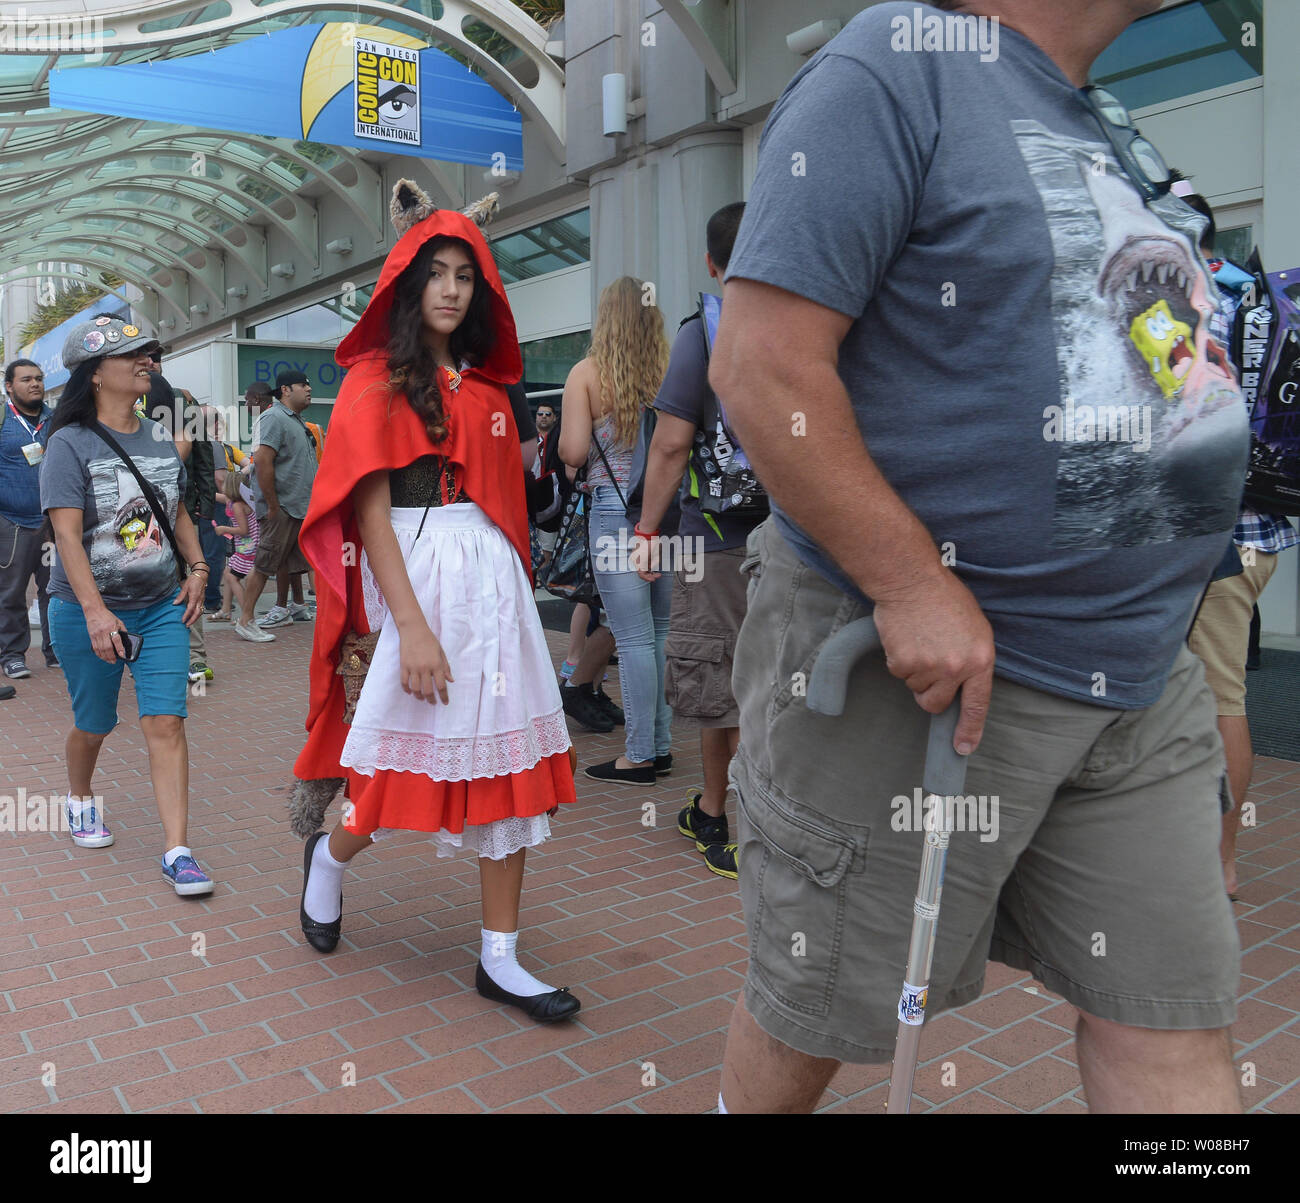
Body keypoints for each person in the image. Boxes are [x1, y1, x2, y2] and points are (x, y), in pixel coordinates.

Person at [710, 0, 1248, 1113]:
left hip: (1140, 676)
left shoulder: (1101, 120)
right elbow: (762, 367)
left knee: (1172, 1015)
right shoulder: (894, 65)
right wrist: (910, 581)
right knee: (815, 1010)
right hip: (925, 671)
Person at [289, 181, 580, 1024]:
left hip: (493, 586)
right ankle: (330, 862)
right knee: (384, 770)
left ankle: (501, 957)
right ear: (409, 285)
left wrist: (513, 595)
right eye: (437, 272)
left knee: (513, 778)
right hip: (417, 580)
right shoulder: (375, 381)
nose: (452, 288)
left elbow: (508, 506)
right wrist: (408, 624)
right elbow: (368, 507)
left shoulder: (490, 390)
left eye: (466, 274)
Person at [40, 316, 212, 895]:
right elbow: (66, 537)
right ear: (95, 374)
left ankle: (178, 852)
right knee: (95, 724)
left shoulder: (158, 436)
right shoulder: (69, 443)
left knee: (166, 722)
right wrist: (94, 612)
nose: (148, 362)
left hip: (161, 606)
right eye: (133, 355)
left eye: (149, 353)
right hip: (88, 609)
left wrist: (200, 567)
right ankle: (80, 797)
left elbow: (179, 510)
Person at [631, 202, 757, 880]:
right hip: (791, 539)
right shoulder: (810, 322)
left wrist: (647, 531)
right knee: (764, 683)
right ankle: (733, 812)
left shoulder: (700, 335)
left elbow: (672, 444)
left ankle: (715, 813)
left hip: (714, 540)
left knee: (722, 681)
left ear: (712, 264)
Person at [1180, 187, 1298, 901]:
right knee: (1216, 692)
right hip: (1260, 534)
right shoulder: (1250, 291)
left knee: (1218, 697)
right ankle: (1205, 850)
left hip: (1214, 539)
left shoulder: (1192, 300)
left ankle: (1216, 861)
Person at [558, 277, 671, 785]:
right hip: (666, 515)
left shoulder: (586, 373)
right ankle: (662, 746)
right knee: (661, 632)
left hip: (613, 512)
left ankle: (640, 756)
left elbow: (574, 452)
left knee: (632, 639)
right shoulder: (669, 370)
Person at [237, 370, 318, 640]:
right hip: (282, 508)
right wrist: (272, 505)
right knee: (264, 564)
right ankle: (245, 620)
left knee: (298, 564)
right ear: (285, 389)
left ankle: (292, 608)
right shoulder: (272, 417)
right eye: (302, 385)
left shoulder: (296, 421)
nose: (308, 389)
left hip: (298, 507)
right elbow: (262, 461)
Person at [1, 358, 56, 679]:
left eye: (38, 378)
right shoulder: (2, 420)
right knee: (11, 593)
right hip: (12, 522)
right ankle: (11, 655)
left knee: (57, 592)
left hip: (54, 523)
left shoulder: (57, 419)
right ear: (9, 386)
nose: (34, 384)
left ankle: (55, 651)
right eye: (25, 379)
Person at [209, 469, 257, 624]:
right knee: (227, 572)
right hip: (245, 545)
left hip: (248, 546)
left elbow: (244, 530)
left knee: (231, 576)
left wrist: (224, 529)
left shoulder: (237, 506)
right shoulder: (235, 501)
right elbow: (219, 497)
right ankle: (226, 609)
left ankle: (247, 615)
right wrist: (202, 491)